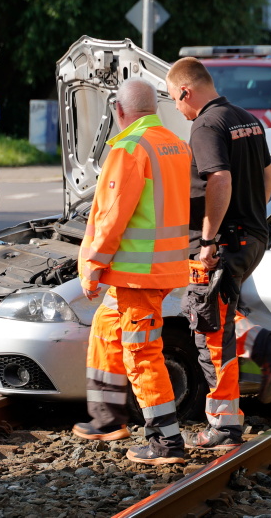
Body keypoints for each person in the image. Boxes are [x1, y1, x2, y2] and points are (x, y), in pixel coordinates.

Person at [166, 56, 271, 453]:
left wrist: (208, 241)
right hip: (251, 237)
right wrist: (249, 216)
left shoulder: (205, 124)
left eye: (174, 100)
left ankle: (223, 426)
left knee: (210, 332)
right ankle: (262, 343)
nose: (179, 110)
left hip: (223, 245)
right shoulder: (247, 118)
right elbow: (268, 176)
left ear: (186, 91)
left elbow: (218, 177)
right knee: (220, 317)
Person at [74, 78, 192, 466]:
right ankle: (107, 419)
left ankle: (165, 442)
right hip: (158, 268)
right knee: (106, 330)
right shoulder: (174, 144)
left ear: (118, 111)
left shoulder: (129, 148)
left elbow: (110, 218)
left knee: (141, 352)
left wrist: (91, 266)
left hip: (137, 274)